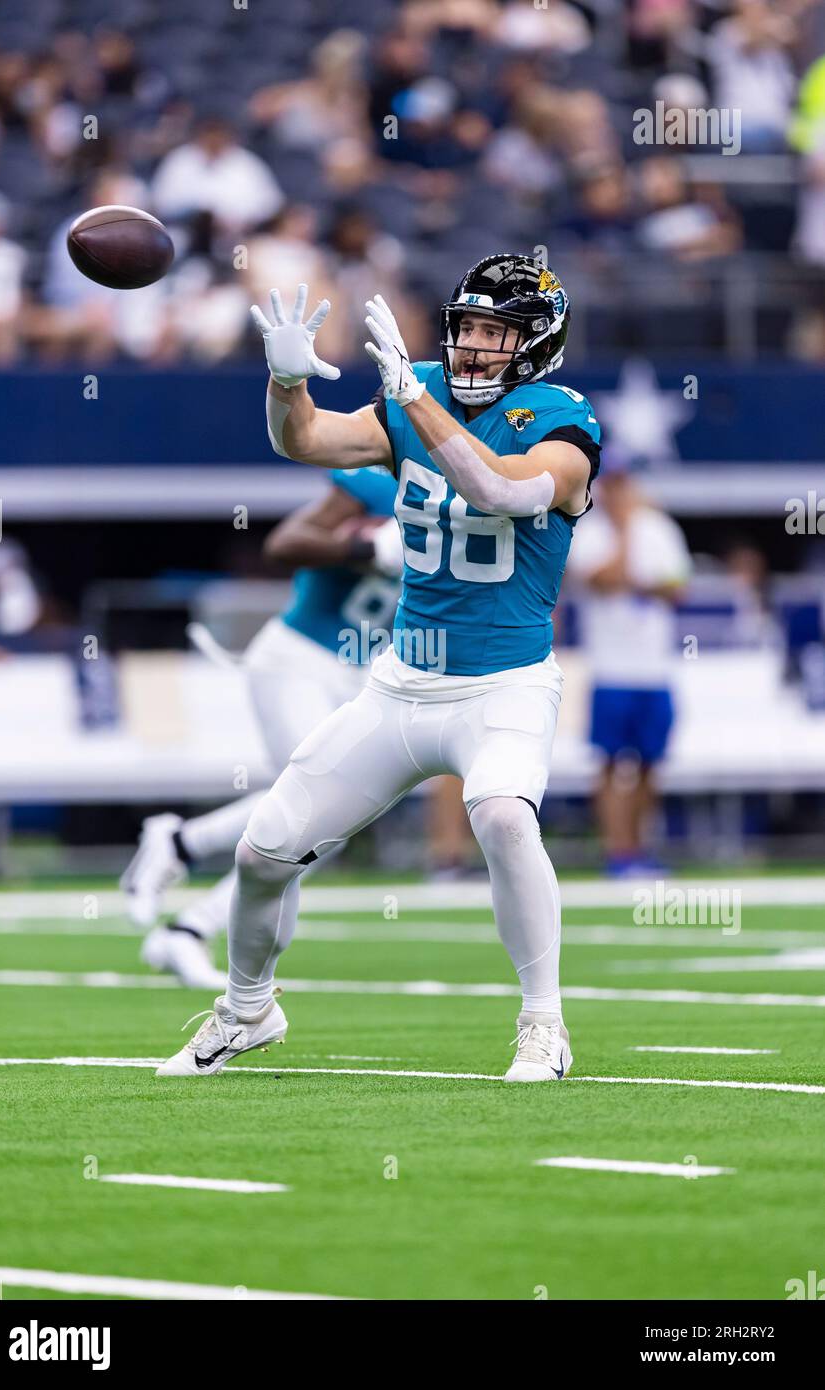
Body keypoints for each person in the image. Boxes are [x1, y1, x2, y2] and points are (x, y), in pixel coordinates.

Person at [157, 254, 601, 1083]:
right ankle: (248, 1009)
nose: (472, 347)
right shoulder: (416, 394)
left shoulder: (561, 420)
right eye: (466, 328)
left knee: (505, 818)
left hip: (503, 686)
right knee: (266, 853)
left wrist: (414, 399)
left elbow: (502, 491)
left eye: (494, 333)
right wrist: (283, 382)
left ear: (535, 345)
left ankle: (545, 1024)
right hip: (401, 685)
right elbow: (306, 441)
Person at [121, 470, 402, 987]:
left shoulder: (471, 496)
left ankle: (181, 866)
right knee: (319, 809)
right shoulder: (380, 481)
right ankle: (186, 916)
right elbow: (285, 543)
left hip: (365, 670)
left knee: (323, 815)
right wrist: (363, 548)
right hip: (300, 659)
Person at [566, 453, 691, 875]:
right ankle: (617, 852)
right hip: (611, 669)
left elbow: (676, 588)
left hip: (653, 668)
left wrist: (637, 578)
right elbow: (599, 580)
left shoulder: (659, 528)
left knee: (651, 764)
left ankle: (639, 848)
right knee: (608, 763)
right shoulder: (590, 531)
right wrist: (623, 535)